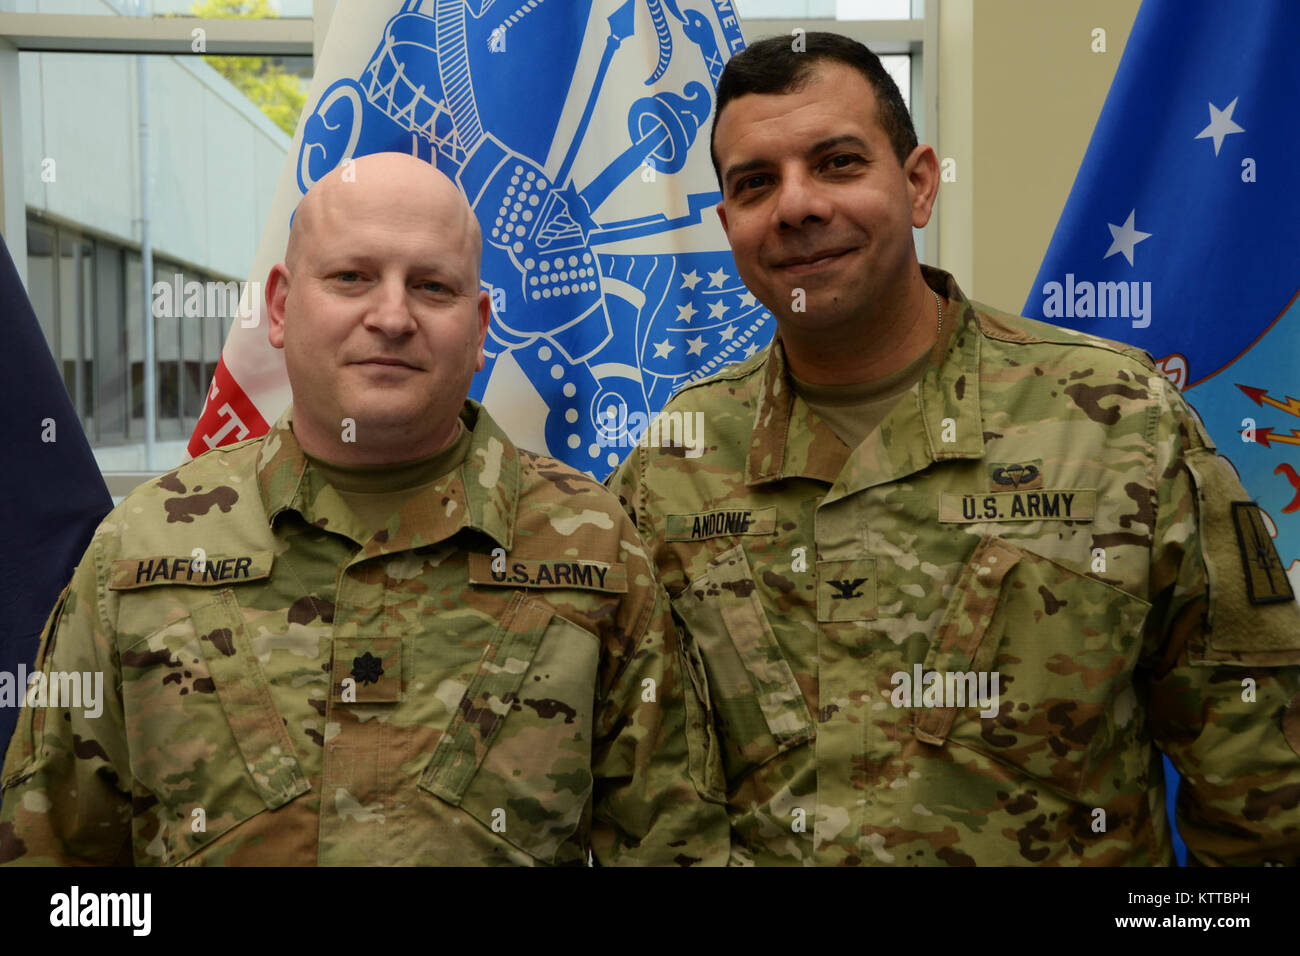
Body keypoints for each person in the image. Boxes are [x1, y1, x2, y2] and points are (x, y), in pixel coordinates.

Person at [607, 32, 1300, 866]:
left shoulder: (1118, 423)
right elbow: (622, 775)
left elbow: (1263, 794)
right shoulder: (671, 466)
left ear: (919, 184)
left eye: (836, 163)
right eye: (756, 183)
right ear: (729, 225)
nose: (796, 205)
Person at [0, 152, 727, 866]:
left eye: (432, 287)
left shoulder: (593, 547)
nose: (392, 316)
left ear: (478, 328)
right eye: (352, 277)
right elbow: (58, 862)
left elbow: (672, 842)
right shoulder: (142, 546)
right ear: (281, 307)